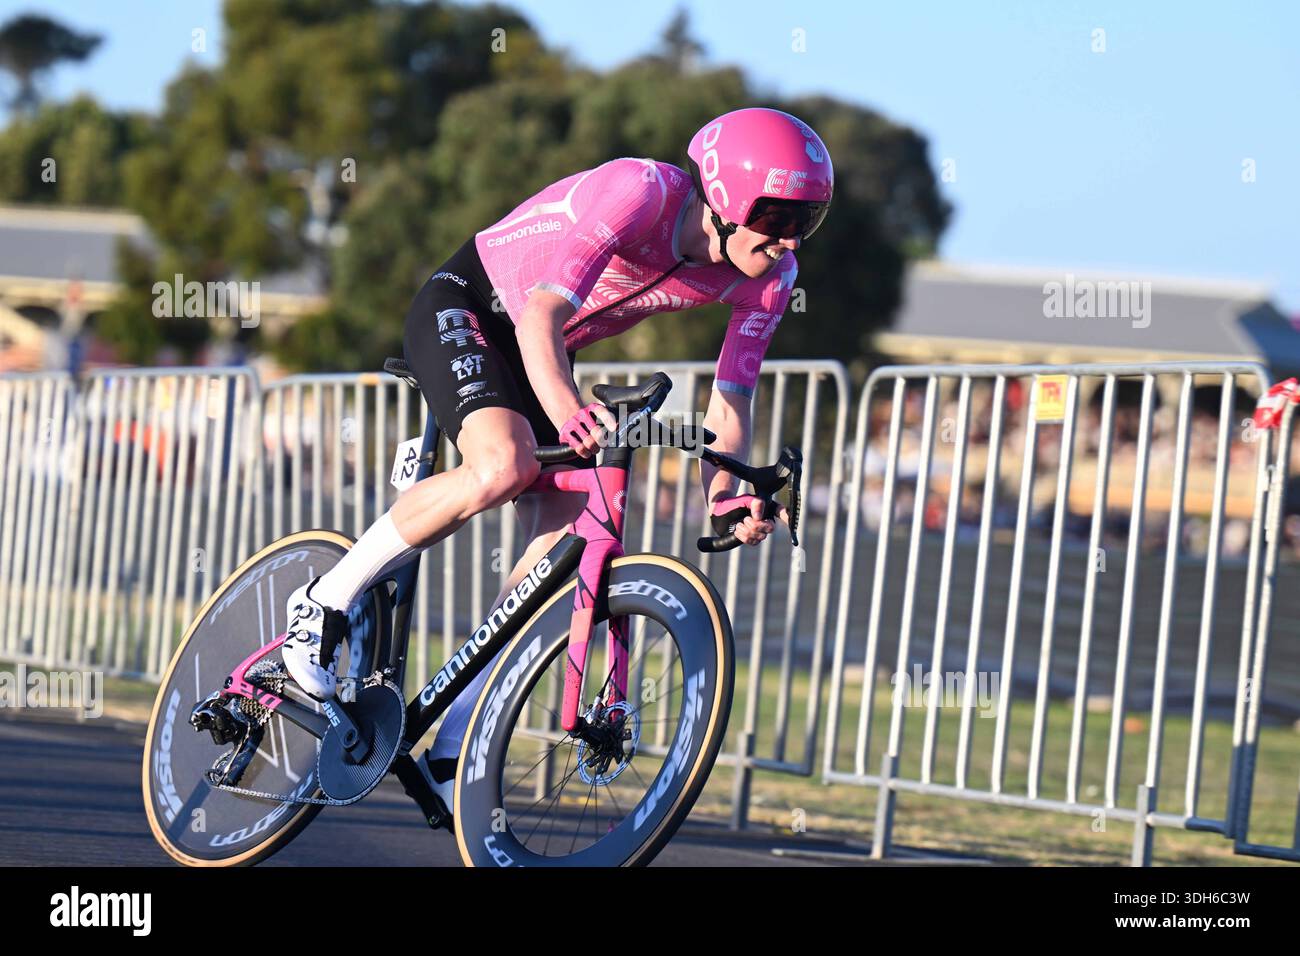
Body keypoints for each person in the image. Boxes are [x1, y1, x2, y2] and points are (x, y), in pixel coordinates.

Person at [281, 107, 833, 816]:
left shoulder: (769, 277)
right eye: (777, 216)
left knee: (567, 538)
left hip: (546, 348)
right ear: (724, 196)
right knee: (502, 465)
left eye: (806, 222)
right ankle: (322, 602)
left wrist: (724, 497)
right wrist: (571, 409)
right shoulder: (640, 193)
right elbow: (540, 313)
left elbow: (731, 400)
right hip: (473, 306)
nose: (789, 239)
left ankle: (454, 744)